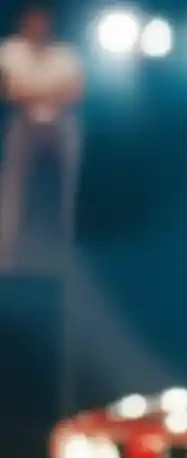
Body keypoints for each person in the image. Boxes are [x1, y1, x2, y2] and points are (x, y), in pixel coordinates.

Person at [0, 3, 83, 270]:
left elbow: (75, 91)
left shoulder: (65, 54)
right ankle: (6, 250)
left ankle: (67, 243)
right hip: (23, 121)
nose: (38, 26)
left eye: (42, 22)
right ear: (24, 24)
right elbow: (8, 90)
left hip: (60, 121)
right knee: (13, 183)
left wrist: (39, 93)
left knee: (71, 172)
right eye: (33, 21)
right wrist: (44, 94)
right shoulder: (9, 51)